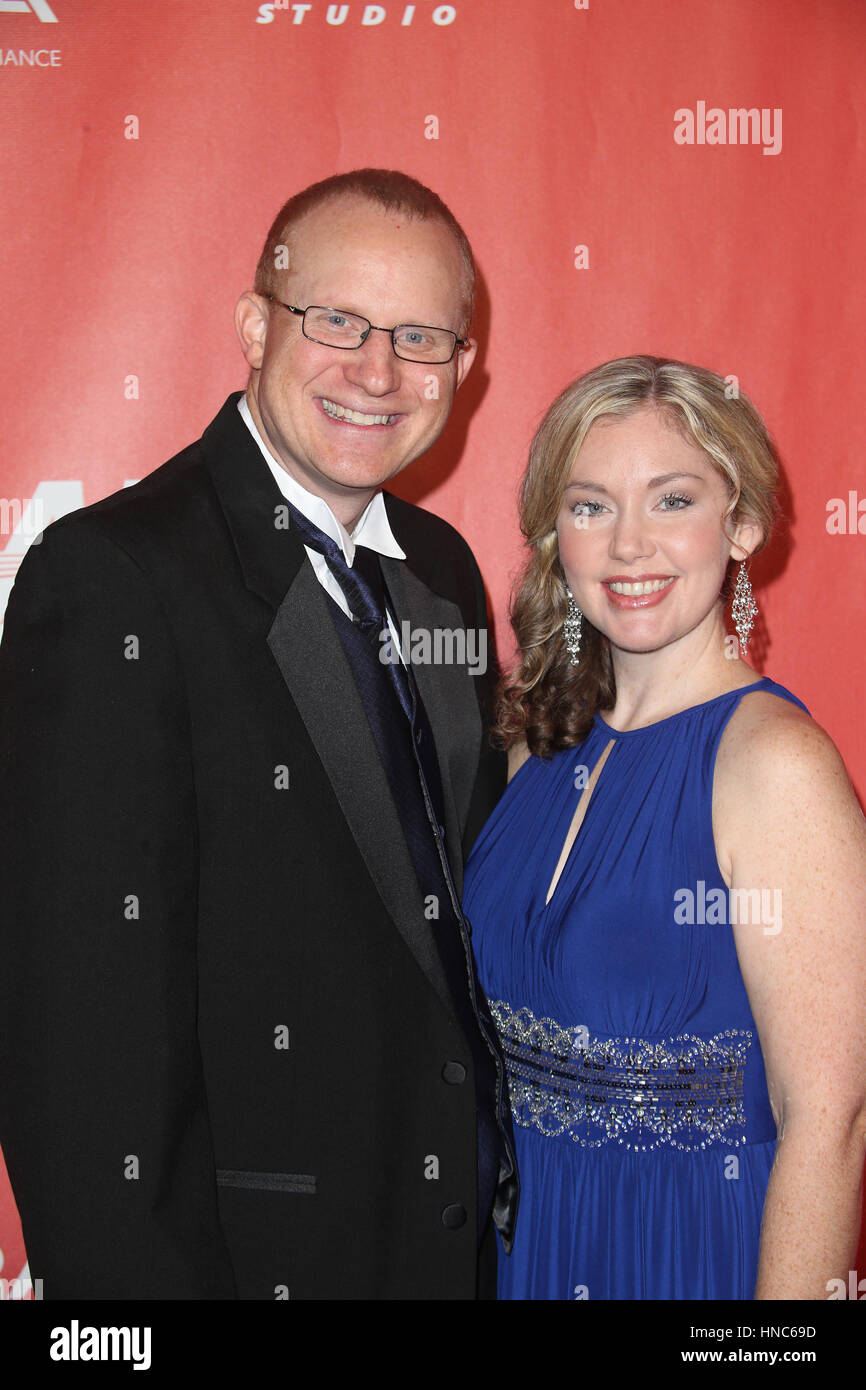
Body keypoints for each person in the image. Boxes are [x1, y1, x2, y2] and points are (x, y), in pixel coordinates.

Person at [0, 168, 518, 1300]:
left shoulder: (441, 576)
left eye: (419, 336)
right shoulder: (115, 580)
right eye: (333, 319)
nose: (376, 371)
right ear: (252, 325)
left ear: (462, 371)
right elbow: (74, 1045)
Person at [463, 355, 866, 1300]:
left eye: (672, 500)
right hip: (525, 1246)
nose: (628, 545)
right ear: (554, 534)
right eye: (592, 506)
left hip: (686, 1255)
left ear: (744, 525)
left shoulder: (775, 766)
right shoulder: (537, 751)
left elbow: (832, 1118)